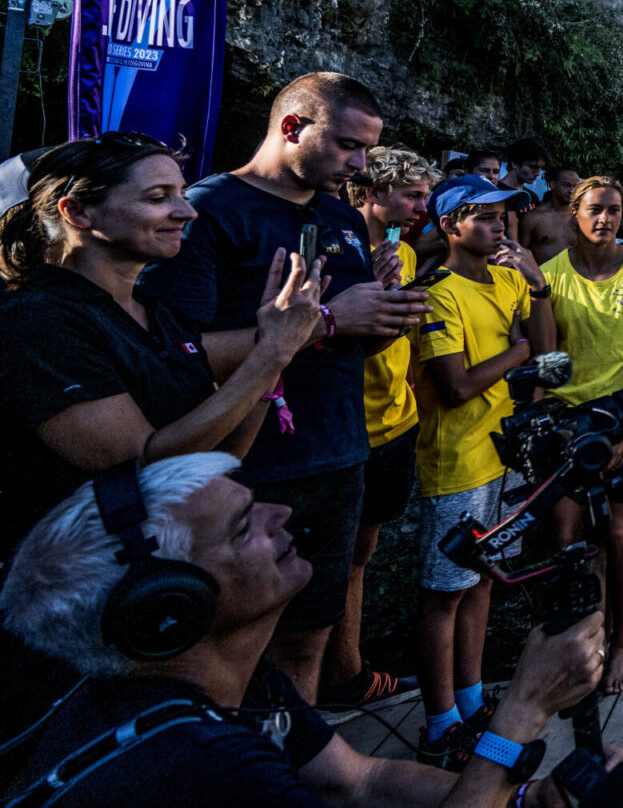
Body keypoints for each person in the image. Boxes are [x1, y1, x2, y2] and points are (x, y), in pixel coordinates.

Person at [0, 452, 615, 807]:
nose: (282, 513)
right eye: (244, 526)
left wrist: (513, 801)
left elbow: (360, 779)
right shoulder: (193, 764)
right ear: (171, 608)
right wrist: (523, 708)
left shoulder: (229, 683)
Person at [137, 73, 431, 697]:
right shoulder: (209, 211)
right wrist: (325, 320)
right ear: (293, 128)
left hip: (340, 456)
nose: (359, 166)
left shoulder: (341, 217)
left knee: (309, 635)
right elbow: (174, 357)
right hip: (245, 470)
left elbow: (350, 335)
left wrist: (385, 315)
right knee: (229, 646)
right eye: (349, 147)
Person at [0, 137, 324, 554]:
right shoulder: (39, 320)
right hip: (75, 575)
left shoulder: (155, 312)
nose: (187, 212)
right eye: (158, 197)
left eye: (183, 195)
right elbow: (143, 467)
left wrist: (274, 353)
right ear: (77, 211)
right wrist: (270, 353)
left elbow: (221, 455)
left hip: (161, 559)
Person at [412, 178, 553, 765]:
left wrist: (539, 287)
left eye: (504, 218)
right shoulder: (437, 292)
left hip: (500, 451)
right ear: (450, 225)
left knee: (482, 579)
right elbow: (456, 384)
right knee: (444, 592)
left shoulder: (505, 277)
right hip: (459, 459)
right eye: (489, 219)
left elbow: (549, 356)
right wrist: (519, 352)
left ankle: (470, 703)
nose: (502, 228)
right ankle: (439, 722)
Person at [541, 177, 623, 694]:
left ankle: (620, 643)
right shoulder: (550, 276)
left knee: (621, 536)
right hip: (572, 420)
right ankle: (577, 640)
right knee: (563, 539)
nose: (606, 219)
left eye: (615, 210)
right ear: (574, 213)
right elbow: (548, 360)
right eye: (595, 209)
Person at [329, 146, 440, 707]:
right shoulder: (336, 250)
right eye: (413, 195)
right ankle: (340, 676)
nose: (424, 206)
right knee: (336, 558)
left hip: (396, 421)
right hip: (348, 426)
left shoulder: (407, 252)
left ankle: (347, 669)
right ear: (373, 193)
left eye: (425, 195)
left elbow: (407, 340)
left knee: (362, 554)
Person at [520, 165, 581, 265]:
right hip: (542, 277)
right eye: (566, 185)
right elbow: (521, 255)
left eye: (575, 186)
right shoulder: (533, 218)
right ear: (552, 184)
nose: (572, 191)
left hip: (573, 278)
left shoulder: (580, 218)